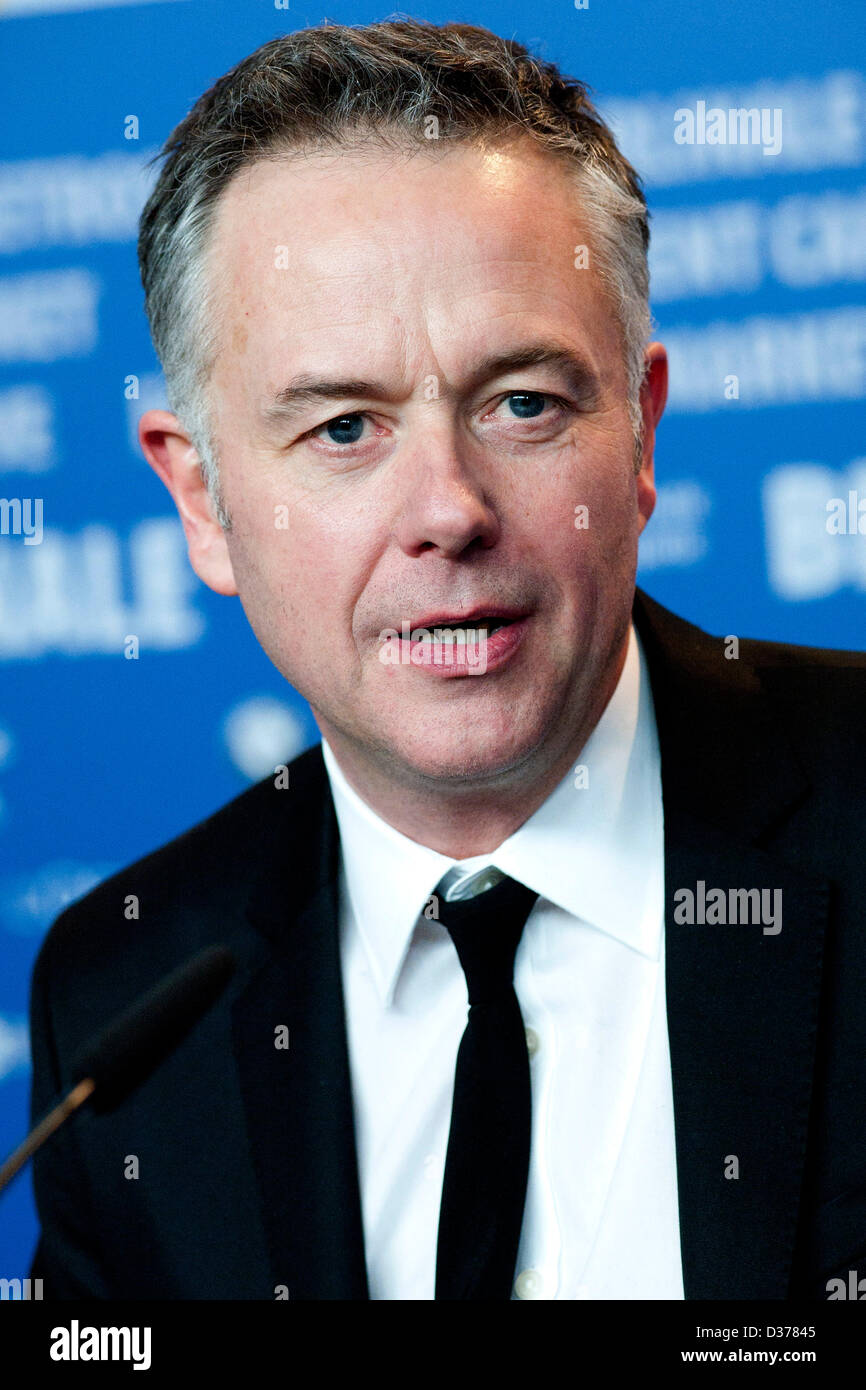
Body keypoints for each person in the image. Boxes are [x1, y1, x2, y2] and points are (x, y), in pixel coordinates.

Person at [28, 18, 866, 1301]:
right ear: (203, 502)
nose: (448, 509)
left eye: (520, 402)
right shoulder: (127, 999)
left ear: (637, 436)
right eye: (345, 427)